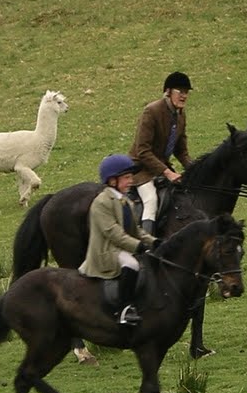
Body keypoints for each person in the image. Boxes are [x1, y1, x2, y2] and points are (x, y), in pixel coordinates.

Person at [80, 153, 158, 325]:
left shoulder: (125, 201)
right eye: (127, 177)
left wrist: (153, 241)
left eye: (131, 177)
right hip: (107, 252)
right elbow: (113, 232)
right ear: (112, 180)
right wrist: (138, 246)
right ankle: (124, 309)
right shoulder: (101, 202)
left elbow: (136, 230)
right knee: (133, 264)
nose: (131, 181)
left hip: (120, 248)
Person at [130, 70, 193, 234]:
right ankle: (147, 246)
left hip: (162, 168)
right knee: (151, 200)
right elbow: (142, 151)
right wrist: (168, 173)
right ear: (168, 91)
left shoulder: (180, 115)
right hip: (141, 169)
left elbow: (181, 151)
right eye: (180, 91)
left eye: (186, 92)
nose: (184, 96)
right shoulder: (151, 111)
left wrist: (196, 170)